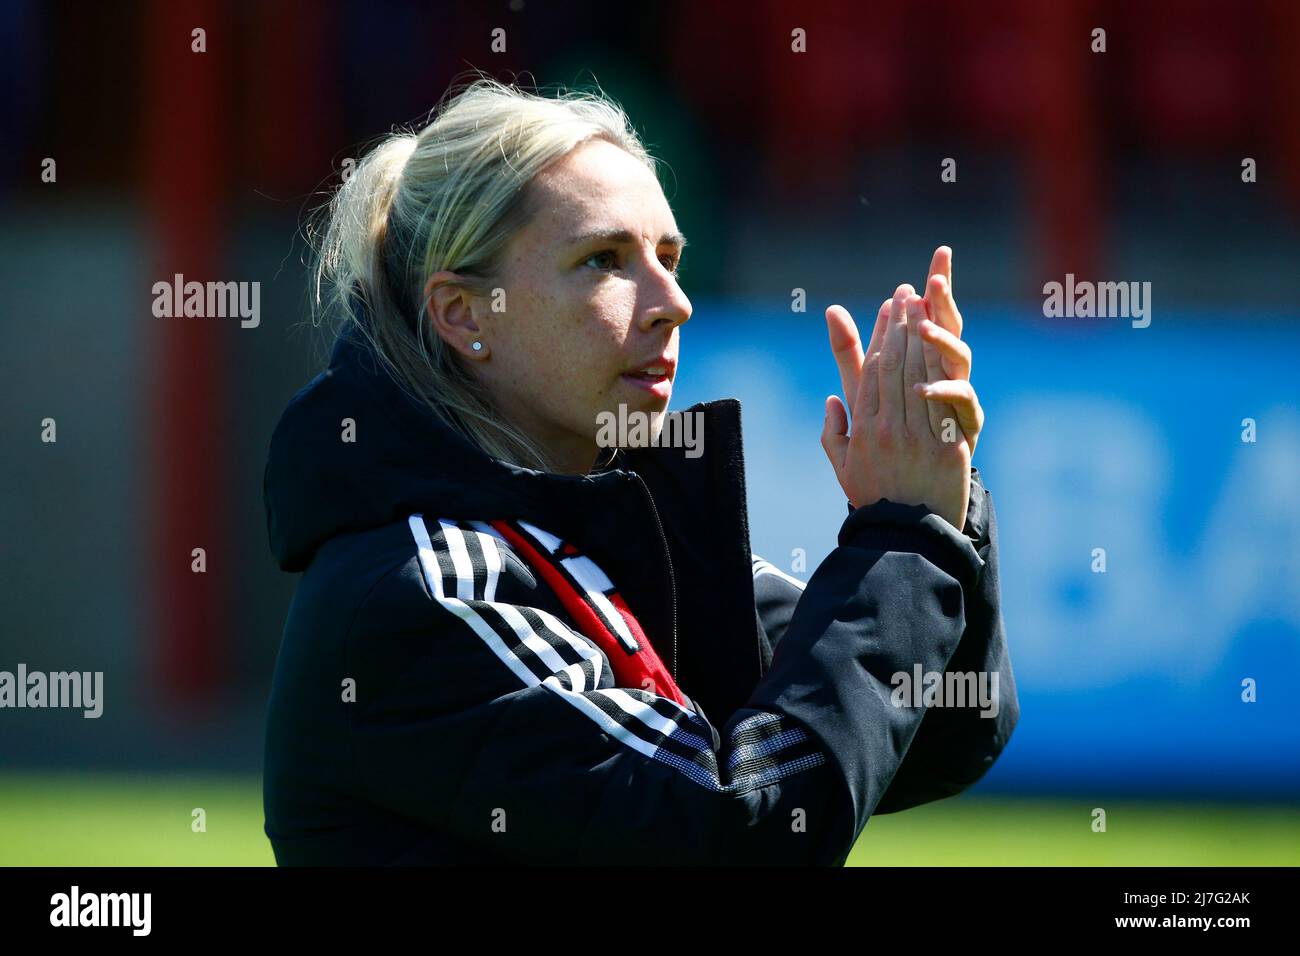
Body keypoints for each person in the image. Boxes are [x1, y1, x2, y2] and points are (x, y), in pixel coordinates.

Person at [261, 77, 1017, 866]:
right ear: (463, 314)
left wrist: (938, 513)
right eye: (603, 260)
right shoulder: (422, 592)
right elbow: (735, 829)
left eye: (669, 257)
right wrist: (899, 545)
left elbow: (937, 733)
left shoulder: (612, 535)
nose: (673, 303)